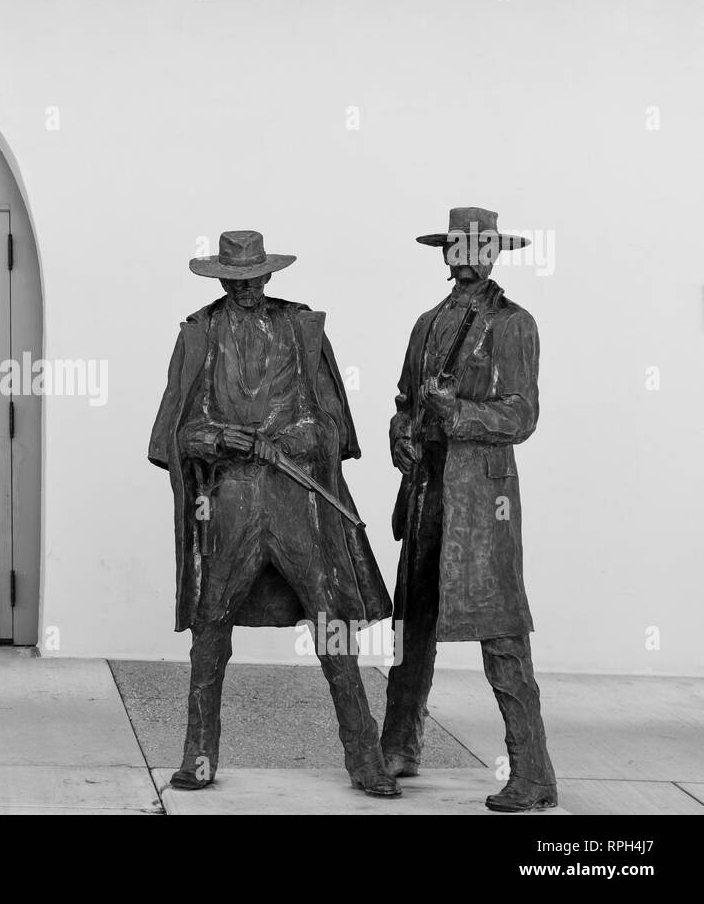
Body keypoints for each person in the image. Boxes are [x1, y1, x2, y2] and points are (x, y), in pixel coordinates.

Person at [148, 230, 397, 796]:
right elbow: (177, 434)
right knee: (211, 628)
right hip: (230, 503)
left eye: (253, 279)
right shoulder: (198, 334)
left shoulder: (301, 330)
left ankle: (365, 758)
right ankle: (199, 756)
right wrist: (220, 439)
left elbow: (335, 428)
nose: (244, 290)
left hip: (297, 501)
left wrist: (293, 436)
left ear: (268, 276)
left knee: (333, 625)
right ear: (221, 281)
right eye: (233, 282)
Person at [382, 207, 558, 812]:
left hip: (483, 503)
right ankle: (398, 746)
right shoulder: (427, 323)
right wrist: (402, 432)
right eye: (459, 246)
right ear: (446, 252)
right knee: (413, 623)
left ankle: (533, 773)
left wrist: (456, 415)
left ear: (494, 254)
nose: (468, 256)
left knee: (501, 630)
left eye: (480, 247)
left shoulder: (514, 323)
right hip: (428, 490)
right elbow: (404, 399)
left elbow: (521, 415)